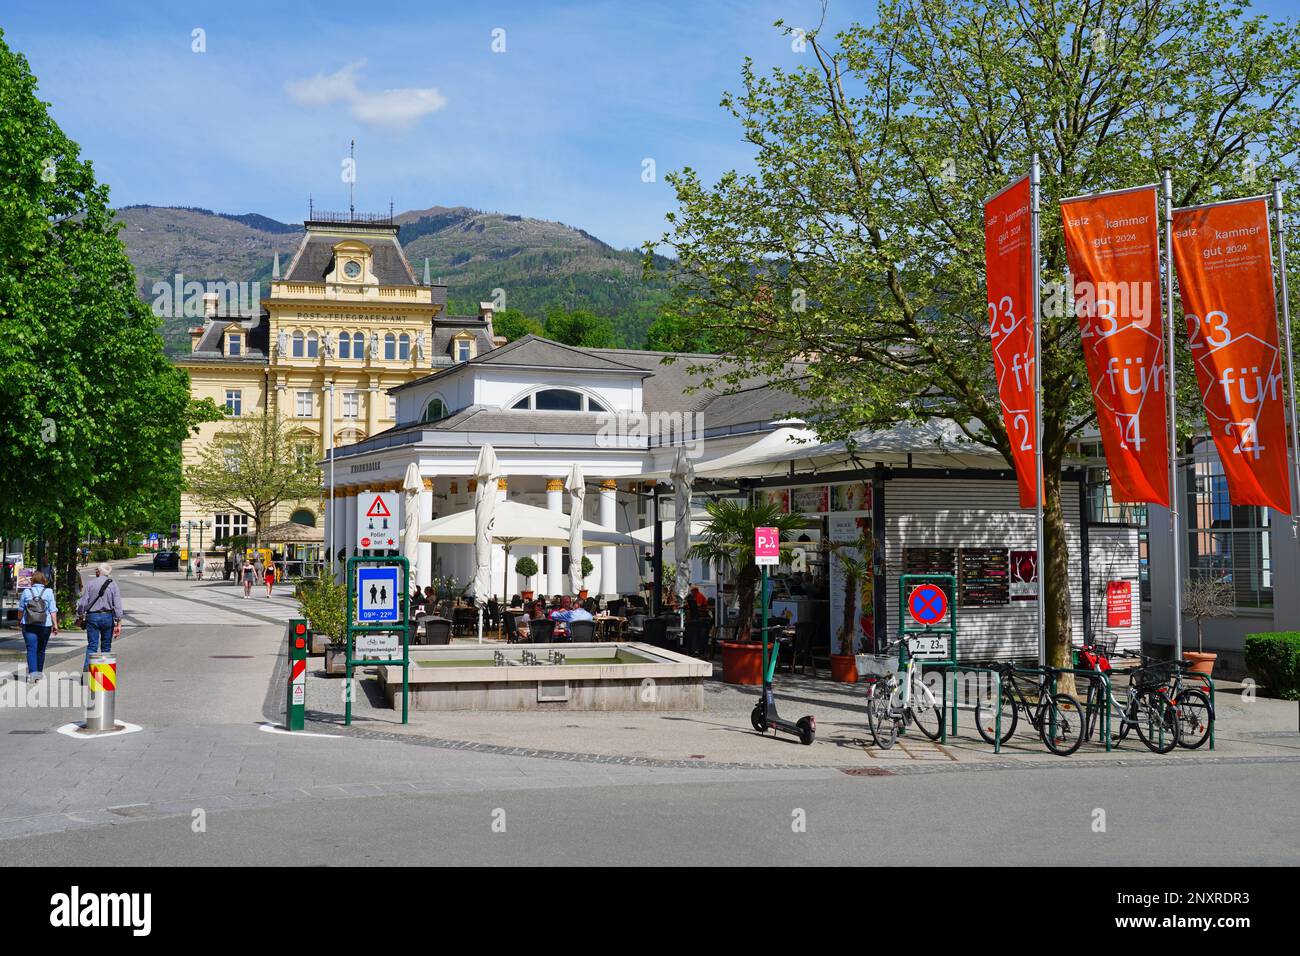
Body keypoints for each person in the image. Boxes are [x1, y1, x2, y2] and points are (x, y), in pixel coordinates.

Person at [76, 563, 122, 671]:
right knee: (106, 647)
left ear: (98, 571)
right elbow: (117, 605)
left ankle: (87, 673)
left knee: (92, 646)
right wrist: (118, 623)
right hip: (107, 616)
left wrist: (80, 615)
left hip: (92, 616)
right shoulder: (113, 585)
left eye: (96, 570)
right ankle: (105, 676)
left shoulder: (90, 584)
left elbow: (83, 604)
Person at [18, 571, 58, 681]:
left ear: (33, 580)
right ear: (43, 580)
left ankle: (32, 674)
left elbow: (21, 609)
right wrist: (55, 625)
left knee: (31, 650)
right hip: (45, 625)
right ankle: (39, 673)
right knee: (41, 650)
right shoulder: (49, 592)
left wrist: (19, 620)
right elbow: (53, 610)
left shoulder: (26, 592)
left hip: (29, 624)